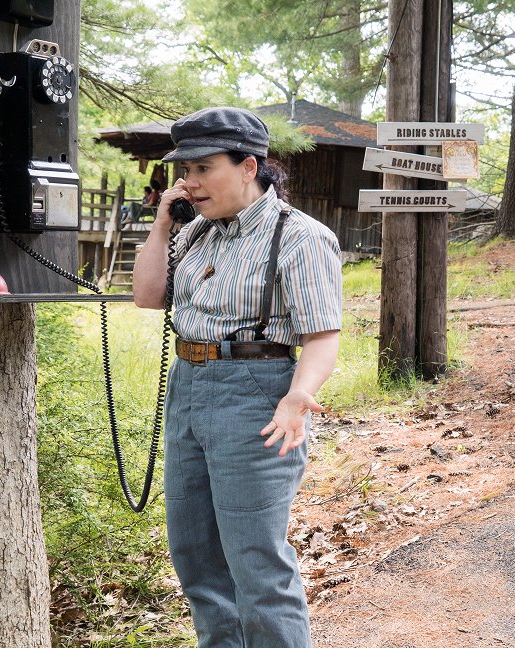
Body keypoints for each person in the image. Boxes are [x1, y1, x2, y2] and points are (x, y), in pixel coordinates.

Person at [132, 107, 342, 648]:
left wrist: (298, 396)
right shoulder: (198, 232)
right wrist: (162, 226)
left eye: (203, 169)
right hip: (188, 388)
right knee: (196, 555)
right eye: (185, 171)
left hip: (256, 394)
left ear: (249, 166)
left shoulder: (300, 237)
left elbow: (322, 336)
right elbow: (148, 297)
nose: (190, 183)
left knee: (255, 563)